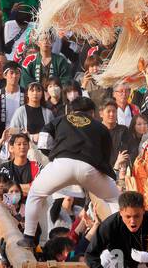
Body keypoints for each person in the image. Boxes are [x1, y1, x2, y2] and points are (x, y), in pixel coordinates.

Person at [20, 95, 119, 251]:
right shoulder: (101, 127)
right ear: (92, 113)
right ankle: (120, 239)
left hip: (62, 164)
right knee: (115, 198)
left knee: (35, 193)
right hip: (89, 168)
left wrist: (53, 154)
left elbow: (43, 141)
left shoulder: (60, 119)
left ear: (72, 111)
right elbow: (106, 157)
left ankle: (28, 237)